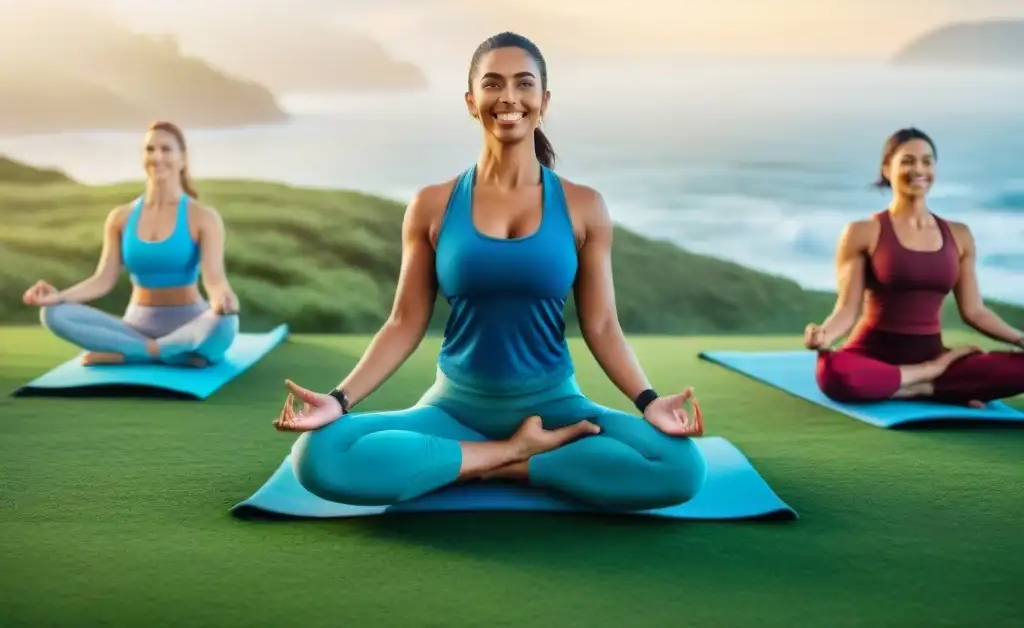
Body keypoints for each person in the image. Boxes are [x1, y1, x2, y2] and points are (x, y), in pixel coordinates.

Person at [272, 31, 707, 512]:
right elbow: (404, 322)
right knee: (320, 455)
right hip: (454, 409)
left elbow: (602, 325)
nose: (509, 98)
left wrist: (648, 401)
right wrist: (339, 399)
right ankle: (508, 455)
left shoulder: (585, 206)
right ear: (470, 101)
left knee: (681, 467)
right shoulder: (432, 205)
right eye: (493, 84)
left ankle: (494, 465)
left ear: (544, 99)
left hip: (556, 407)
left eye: (524, 84)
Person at [804, 127, 1024, 406]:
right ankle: (927, 381)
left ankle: (909, 384)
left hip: (935, 354)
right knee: (834, 373)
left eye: (927, 161)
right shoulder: (862, 231)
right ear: (886, 168)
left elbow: (975, 311)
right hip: (872, 355)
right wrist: (825, 335)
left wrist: (1020, 339)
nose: (918, 169)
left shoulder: (960, 235)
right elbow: (848, 309)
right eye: (907, 161)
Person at [22, 120, 240, 367]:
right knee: (53, 314)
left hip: (190, 324)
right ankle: (163, 351)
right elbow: (103, 279)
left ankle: (129, 353)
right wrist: (59, 297)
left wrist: (224, 300)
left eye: (166, 149)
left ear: (183, 158)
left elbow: (214, 280)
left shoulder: (203, 216)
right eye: (150, 149)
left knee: (227, 324)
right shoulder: (121, 217)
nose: (157, 157)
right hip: (135, 327)